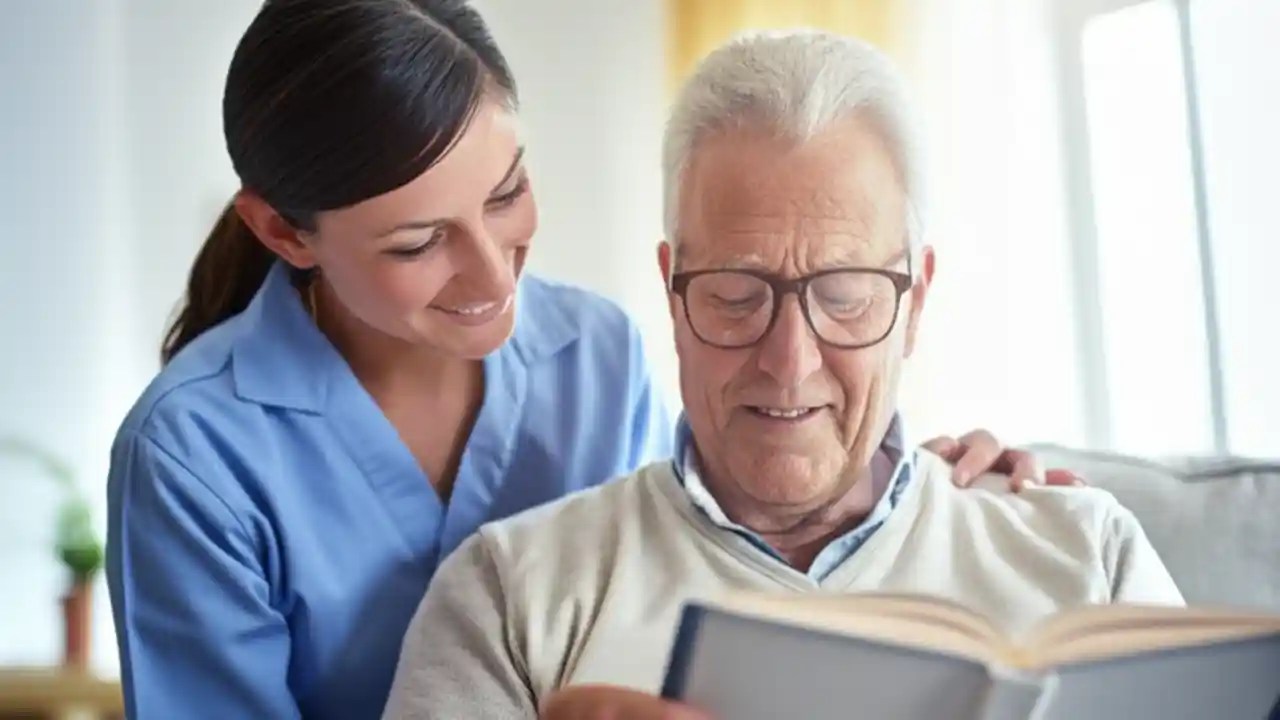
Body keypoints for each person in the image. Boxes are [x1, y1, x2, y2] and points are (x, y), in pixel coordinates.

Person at [105, 2, 1079, 719]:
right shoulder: (193, 452)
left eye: (507, 191)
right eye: (415, 243)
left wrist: (906, 482)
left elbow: (681, 556)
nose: (492, 272)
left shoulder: (594, 353)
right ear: (284, 232)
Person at [380, 29, 1185, 720]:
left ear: (916, 302)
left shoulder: (1087, 551)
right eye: (736, 296)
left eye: (844, 298)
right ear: (671, 290)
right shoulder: (509, 594)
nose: (790, 363)